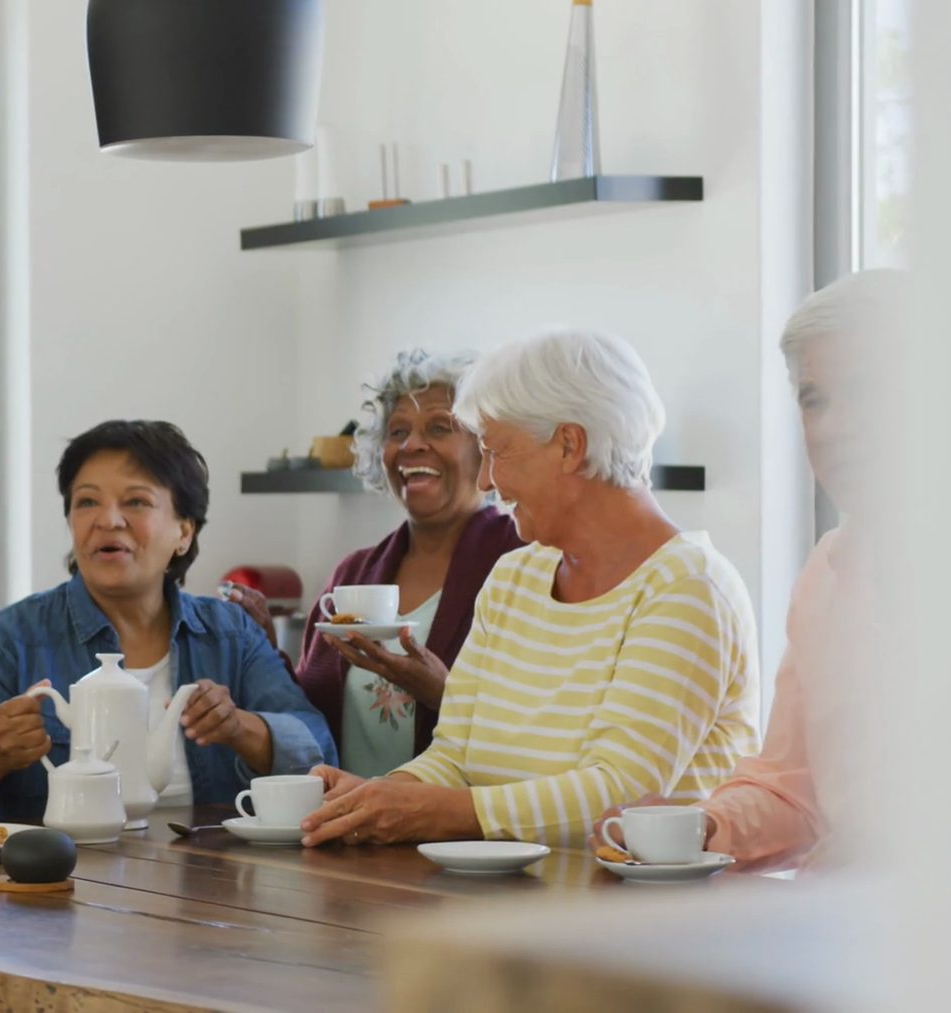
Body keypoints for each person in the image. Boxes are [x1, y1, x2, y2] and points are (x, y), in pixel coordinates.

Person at [299, 327, 761, 848]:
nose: (486, 482)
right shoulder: (515, 577)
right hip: (510, 908)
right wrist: (377, 798)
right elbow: (454, 754)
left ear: (568, 445)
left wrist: (441, 811)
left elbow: (618, 793)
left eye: (498, 452)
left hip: (641, 918)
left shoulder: (687, 589)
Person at [592, 271, 902, 872]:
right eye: (816, 400)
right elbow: (792, 787)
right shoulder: (826, 576)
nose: (835, 428)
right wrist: (704, 825)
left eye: (868, 392)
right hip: (841, 936)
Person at [0, 421, 335, 821]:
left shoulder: (231, 633)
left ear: (184, 532)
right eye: (87, 502)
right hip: (59, 885)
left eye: (136, 501)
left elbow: (321, 755)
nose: (107, 520)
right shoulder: (11, 639)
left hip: (217, 882)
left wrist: (239, 726)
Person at [229, 350, 524, 776]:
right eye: (397, 430)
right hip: (349, 827)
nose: (410, 445)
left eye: (439, 427)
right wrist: (264, 653)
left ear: (487, 448)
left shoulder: (522, 565)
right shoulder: (353, 574)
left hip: (456, 836)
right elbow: (315, 717)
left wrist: (444, 695)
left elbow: (545, 732)